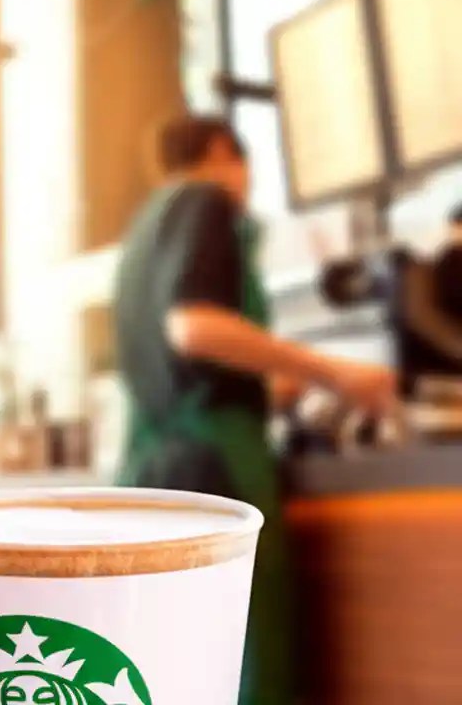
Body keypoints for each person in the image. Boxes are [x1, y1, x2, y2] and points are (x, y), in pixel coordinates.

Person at [112, 116, 398, 705]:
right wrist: (334, 372)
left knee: (167, 664)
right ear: (222, 152)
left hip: (148, 469)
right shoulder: (205, 201)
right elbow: (193, 327)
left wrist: (272, 388)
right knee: (245, 658)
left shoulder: (143, 232)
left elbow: (180, 362)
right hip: (215, 465)